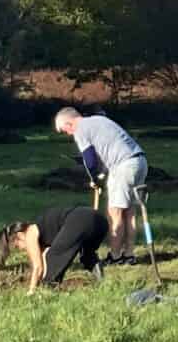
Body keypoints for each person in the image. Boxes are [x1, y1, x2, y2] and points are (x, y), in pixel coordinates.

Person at [54, 107, 148, 263]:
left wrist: (94, 178)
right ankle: (129, 254)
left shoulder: (81, 130)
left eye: (65, 130)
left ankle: (116, 256)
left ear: (69, 123)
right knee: (130, 212)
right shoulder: (100, 120)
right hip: (140, 161)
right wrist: (102, 173)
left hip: (123, 166)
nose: (69, 134)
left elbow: (89, 160)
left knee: (115, 213)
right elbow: (109, 150)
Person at [0, 205, 107, 293]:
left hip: (81, 219)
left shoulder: (30, 232)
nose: (21, 249)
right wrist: (41, 279)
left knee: (54, 258)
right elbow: (44, 260)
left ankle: (48, 290)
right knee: (87, 255)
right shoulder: (43, 230)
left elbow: (38, 267)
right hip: (99, 221)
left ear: (19, 235)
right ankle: (103, 282)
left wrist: (32, 290)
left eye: (17, 246)